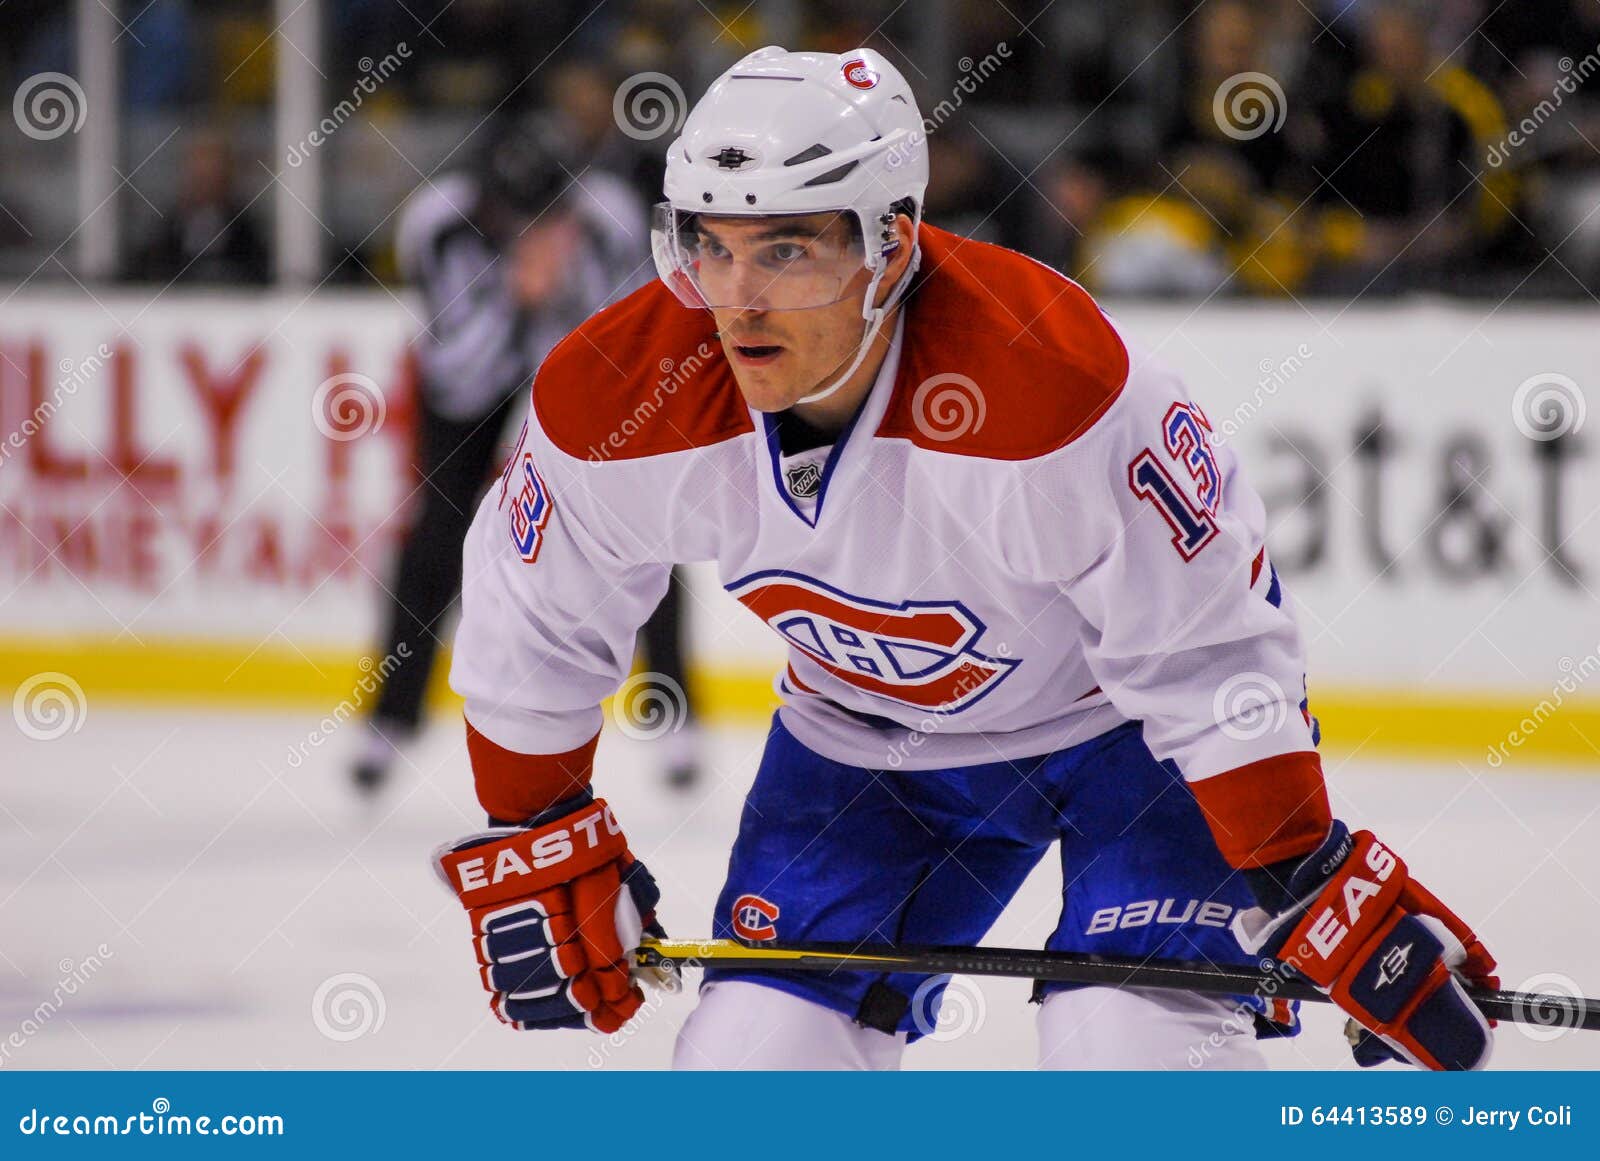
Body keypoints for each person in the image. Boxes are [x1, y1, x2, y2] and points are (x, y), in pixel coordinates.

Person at [432, 47, 1497, 1070]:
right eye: (709, 245)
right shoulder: (618, 398)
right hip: (865, 751)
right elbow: (536, 625)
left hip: (1130, 748)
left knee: (1130, 1066)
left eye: (788, 249)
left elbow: (1205, 660)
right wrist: (540, 829)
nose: (737, 299)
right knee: (749, 1078)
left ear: (889, 248)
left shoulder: (1050, 387)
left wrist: (1310, 876)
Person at [352, 117, 701, 793]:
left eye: (545, 218)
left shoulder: (609, 221)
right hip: (469, 371)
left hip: (577, 356)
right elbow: (456, 374)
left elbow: (615, 352)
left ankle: (673, 710)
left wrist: (558, 297)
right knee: (437, 527)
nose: (531, 231)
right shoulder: (438, 225)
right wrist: (514, 296)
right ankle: (391, 717)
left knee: (644, 518)